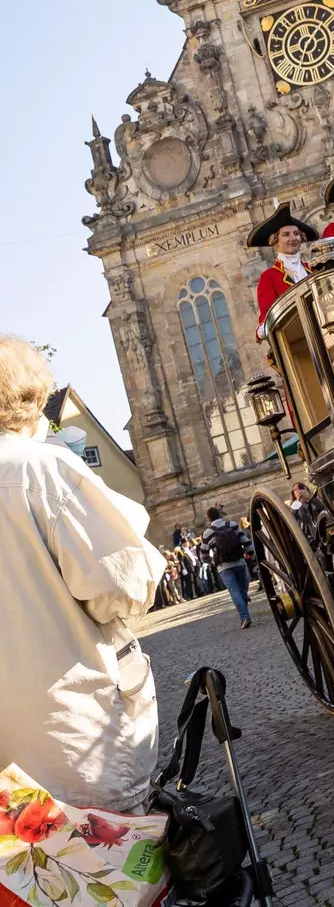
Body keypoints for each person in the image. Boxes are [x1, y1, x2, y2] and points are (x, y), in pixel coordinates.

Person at [0, 335, 166, 811]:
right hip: (68, 736)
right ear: (33, 400)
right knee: (117, 870)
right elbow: (123, 587)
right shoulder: (42, 469)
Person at [249, 204, 319, 337]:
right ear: (275, 241)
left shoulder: (313, 270)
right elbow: (267, 316)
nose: (293, 238)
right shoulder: (269, 277)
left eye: (296, 234)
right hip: (296, 339)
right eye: (286, 235)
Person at [202, 505, 252, 629]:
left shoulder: (208, 532)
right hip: (240, 561)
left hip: (223, 566)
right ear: (219, 515)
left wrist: (213, 562)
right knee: (242, 591)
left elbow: (203, 554)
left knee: (234, 591)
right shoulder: (232, 524)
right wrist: (249, 553)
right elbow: (245, 541)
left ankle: (245, 617)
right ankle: (244, 613)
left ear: (209, 518)